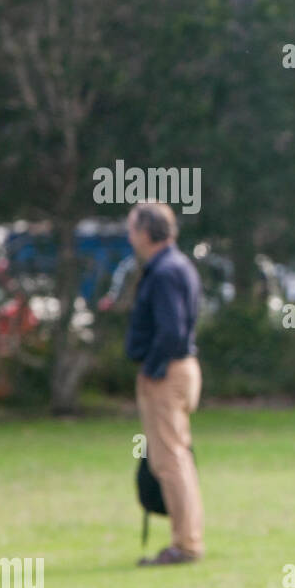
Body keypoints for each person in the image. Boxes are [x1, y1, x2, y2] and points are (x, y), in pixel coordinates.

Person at [125, 201, 205, 567]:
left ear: (145, 232)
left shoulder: (164, 271)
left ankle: (185, 544)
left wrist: (152, 369)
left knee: (170, 461)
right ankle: (186, 539)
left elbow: (171, 330)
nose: (130, 236)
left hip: (167, 370)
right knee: (174, 457)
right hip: (179, 367)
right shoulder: (176, 265)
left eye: (132, 229)